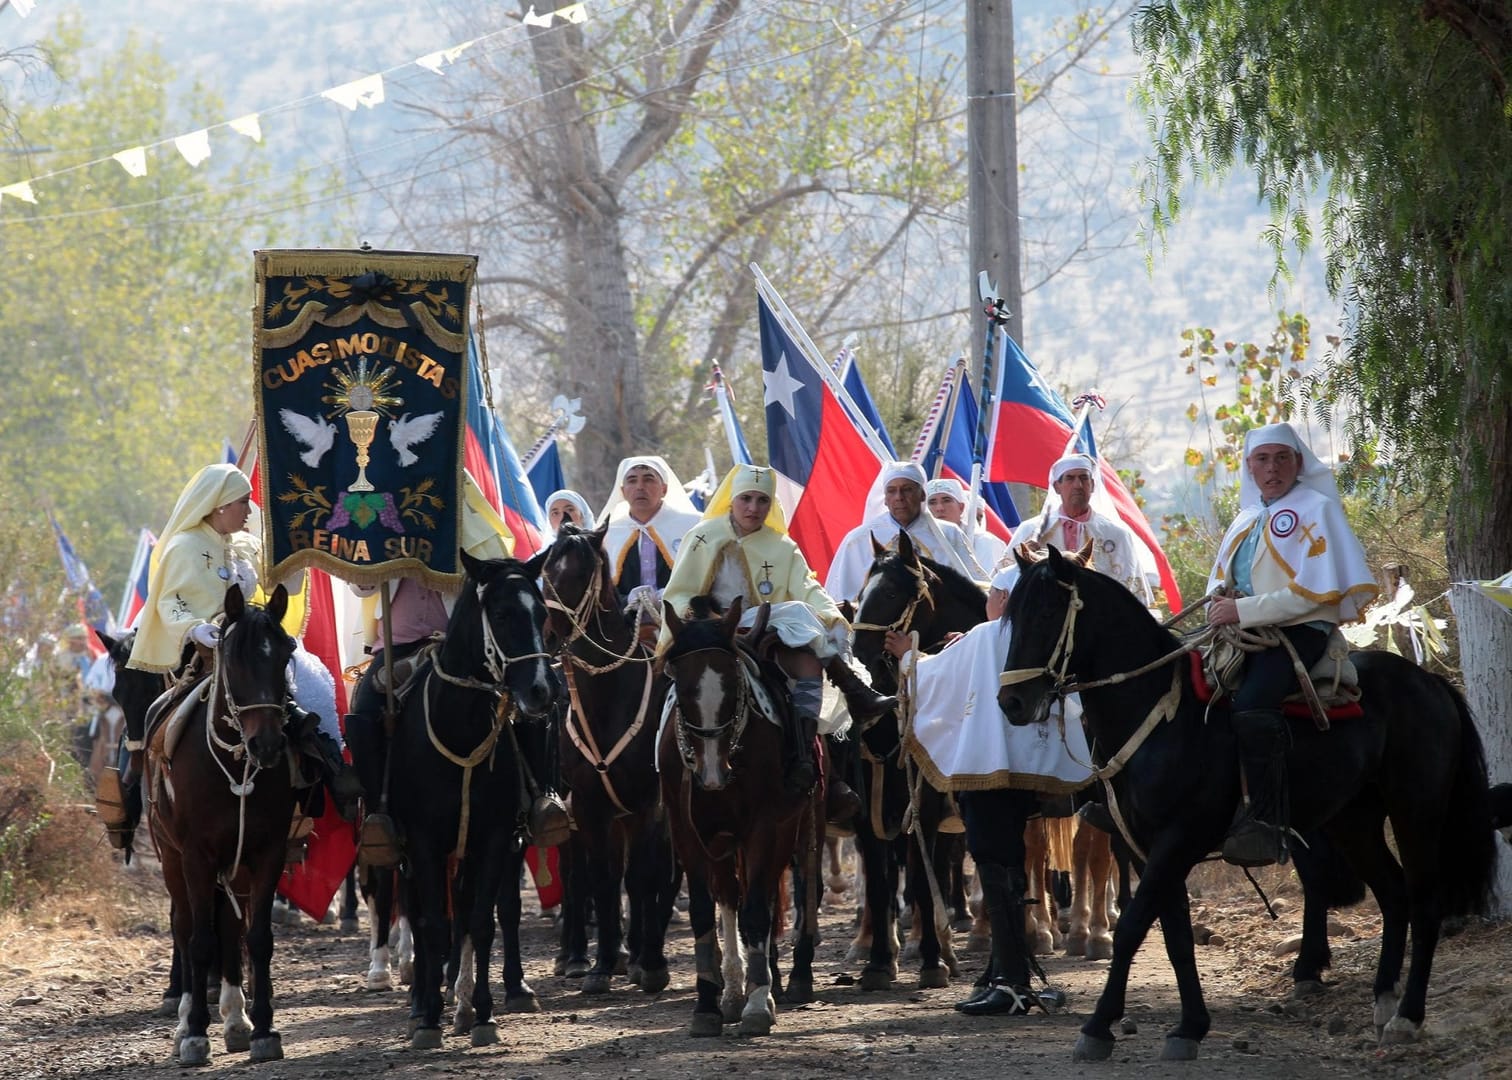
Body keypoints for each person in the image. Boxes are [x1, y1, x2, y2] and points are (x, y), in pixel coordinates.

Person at [883, 564, 1091, 1015]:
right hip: (1023, 774)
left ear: (1005, 598)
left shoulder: (987, 634)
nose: (989, 600)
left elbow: (931, 677)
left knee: (994, 864)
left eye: (994, 592)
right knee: (1010, 863)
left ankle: (1011, 981)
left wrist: (905, 655)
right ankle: (1009, 968)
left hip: (984, 771)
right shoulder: (1034, 637)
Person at [114, 463, 359, 826]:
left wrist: (290, 545)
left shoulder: (244, 543)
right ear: (219, 506)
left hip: (248, 639)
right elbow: (170, 601)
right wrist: (194, 629)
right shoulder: (185, 546)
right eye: (243, 503)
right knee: (149, 711)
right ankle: (139, 786)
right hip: (199, 649)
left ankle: (329, 766)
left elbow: (286, 586)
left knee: (310, 678)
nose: (249, 509)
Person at [344, 472, 568, 848]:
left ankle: (540, 797)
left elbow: (505, 587)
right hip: (398, 647)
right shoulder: (384, 523)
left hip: (462, 650)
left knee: (531, 706)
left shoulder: (479, 531)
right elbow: (361, 586)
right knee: (366, 702)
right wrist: (376, 549)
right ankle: (377, 811)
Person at [657, 464, 895, 810]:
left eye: (762, 500)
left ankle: (804, 757)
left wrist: (831, 614)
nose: (753, 508)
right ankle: (658, 773)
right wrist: (697, 618)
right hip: (710, 631)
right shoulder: (703, 535)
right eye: (746, 499)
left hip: (767, 628)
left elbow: (807, 586)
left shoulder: (781, 546)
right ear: (732, 500)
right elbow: (678, 591)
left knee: (809, 658)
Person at [1206, 423, 1378, 867]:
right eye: (1262, 460)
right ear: (1249, 467)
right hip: (1242, 629)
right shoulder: (1245, 518)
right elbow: (1222, 584)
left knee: (1252, 702)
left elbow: (1312, 593)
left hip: (1301, 629)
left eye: (1282, 458)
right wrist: (1220, 603)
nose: (1272, 468)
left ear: (1299, 463)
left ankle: (1267, 820)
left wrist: (1241, 612)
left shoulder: (1316, 509)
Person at [825, 461, 988, 603]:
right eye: (892, 491)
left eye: (907, 489)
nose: (899, 497)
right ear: (885, 498)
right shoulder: (859, 539)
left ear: (922, 494)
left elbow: (973, 590)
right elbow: (843, 597)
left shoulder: (949, 535)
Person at [1010, 454, 1152, 604]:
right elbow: (1004, 586)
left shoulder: (1117, 535)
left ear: (1092, 484)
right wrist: (1025, 558)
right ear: (1057, 486)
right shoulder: (1029, 531)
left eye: (1084, 478)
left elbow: (1131, 593)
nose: (1078, 485)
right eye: (1070, 478)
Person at [599, 455, 703, 631]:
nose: (640, 487)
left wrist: (673, 598)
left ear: (664, 489)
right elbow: (602, 590)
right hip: (626, 628)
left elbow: (706, 577)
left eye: (648, 479)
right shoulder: (608, 533)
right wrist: (627, 600)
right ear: (623, 491)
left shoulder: (694, 526)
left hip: (685, 625)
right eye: (632, 480)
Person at [926, 477, 1009, 575]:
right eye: (932, 502)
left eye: (946, 500)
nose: (939, 508)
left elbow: (992, 584)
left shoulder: (986, 542)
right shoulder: (919, 541)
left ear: (961, 507)